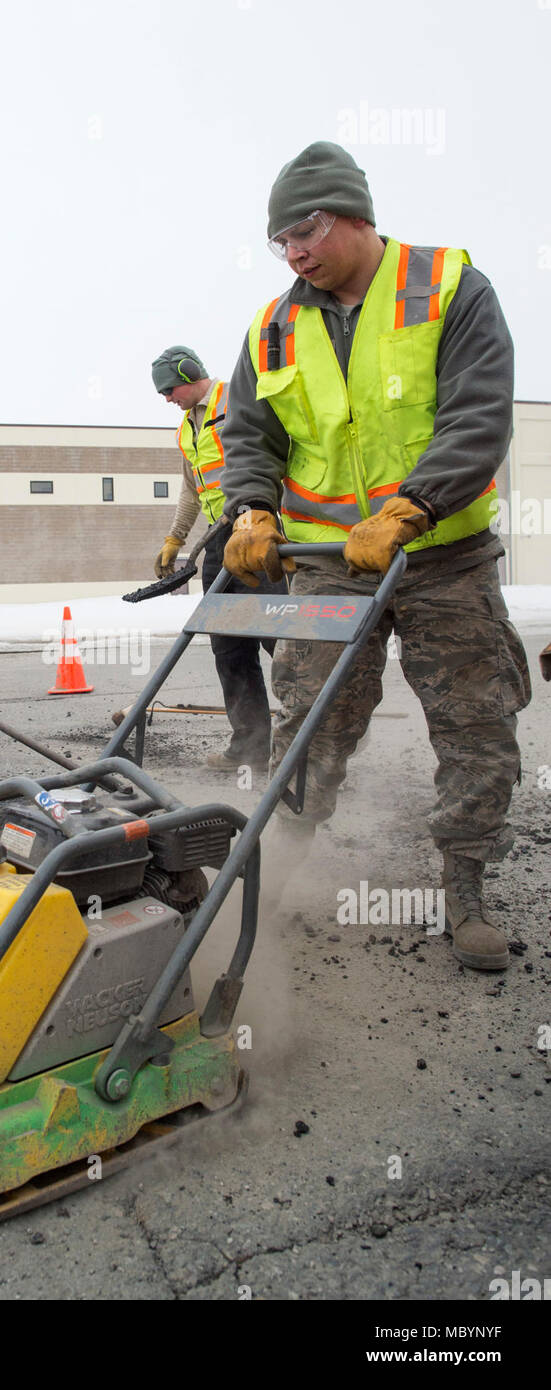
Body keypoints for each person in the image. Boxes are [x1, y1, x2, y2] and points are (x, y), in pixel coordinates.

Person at [220, 141, 530, 971]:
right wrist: (249, 506)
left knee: (474, 726)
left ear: (352, 214)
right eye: (279, 241)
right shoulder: (274, 328)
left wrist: (409, 508)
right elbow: (247, 434)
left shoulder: (448, 288)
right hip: (325, 562)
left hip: (441, 555)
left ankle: (463, 890)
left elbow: (477, 414)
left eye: (304, 232)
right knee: (310, 720)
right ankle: (275, 872)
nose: (293, 253)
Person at [151, 345, 284, 776]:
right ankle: (249, 747)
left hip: (257, 530)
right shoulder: (185, 428)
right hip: (217, 542)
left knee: (280, 639)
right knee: (228, 646)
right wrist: (175, 538)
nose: (167, 398)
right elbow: (192, 489)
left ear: (191, 373)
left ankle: (315, 740)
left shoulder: (237, 398)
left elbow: (274, 455)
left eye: (169, 389)